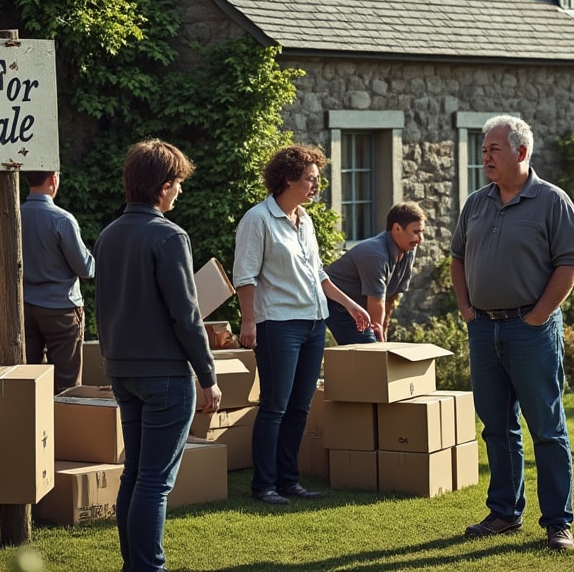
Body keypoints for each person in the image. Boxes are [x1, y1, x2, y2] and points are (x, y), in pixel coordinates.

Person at [451, 115, 574, 551]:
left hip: (532, 330)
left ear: (521, 153)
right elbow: (457, 258)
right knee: (496, 426)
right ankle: (505, 513)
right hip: (483, 329)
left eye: (493, 149)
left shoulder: (552, 201)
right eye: (483, 149)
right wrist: (467, 310)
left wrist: (537, 317)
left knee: (546, 428)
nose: (484, 156)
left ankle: (558, 523)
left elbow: (571, 264)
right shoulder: (475, 202)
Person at [94, 139, 221, 572]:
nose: (181, 191)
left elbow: (103, 306)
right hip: (165, 375)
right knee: (154, 482)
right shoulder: (169, 235)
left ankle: (136, 565)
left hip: (122, 370)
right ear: (163, 187)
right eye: (179, 184)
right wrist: (208, 375)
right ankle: (149, 567)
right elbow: (186, 315)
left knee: (134, 474)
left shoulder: (108, 235)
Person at [234, 144, 369, 505]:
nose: (316, 187)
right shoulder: (258, 220)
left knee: (300, 407)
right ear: (288, 179)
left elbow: (317, 274)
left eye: (317, 180)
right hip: (277, 324)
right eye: (310, 180)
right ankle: (264, 486)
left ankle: (288, 481)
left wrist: (350, 304)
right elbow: (245, 277)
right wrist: (249, 321)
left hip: (313, 324)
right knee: (275, 406)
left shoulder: (304, 220)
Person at [21, 170, 94, 390]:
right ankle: (64, 424)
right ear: (54, 178)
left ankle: (29, 424)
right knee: (67, 383)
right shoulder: (61, 219)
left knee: (28, 381)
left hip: (24, 307)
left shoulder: (13, 214)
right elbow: (85, 269)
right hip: (60, 307)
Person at [323, 201, 426, 344]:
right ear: (397, 228)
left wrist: (383, 330)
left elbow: (391, 297)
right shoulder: (375, 255)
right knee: (369, 349)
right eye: (416, 232)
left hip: (360, 305)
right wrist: (378, 334)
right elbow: (376, 301)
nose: (420, 239)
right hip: (334, 300)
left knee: (375, 348)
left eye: (422, 232)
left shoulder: (408, 249)